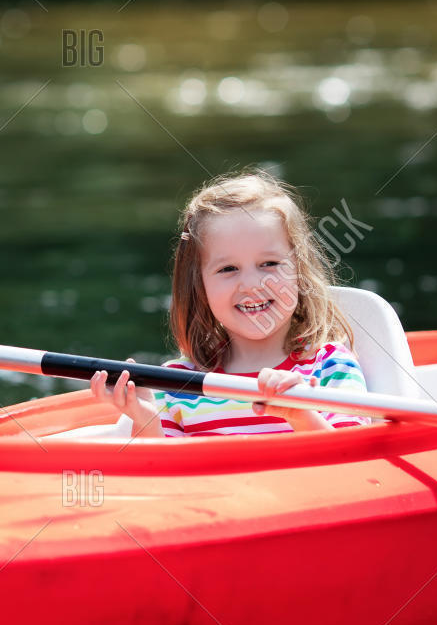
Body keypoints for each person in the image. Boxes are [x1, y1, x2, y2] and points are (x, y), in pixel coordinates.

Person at [89, 169, 373, 437]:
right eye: (228, 269)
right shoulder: (176, 385)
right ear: (199, 286)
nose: (251, 284)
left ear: (299, 271)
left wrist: (301, 416)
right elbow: (165, 475)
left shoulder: (330, 368)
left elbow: (353, 463)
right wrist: (145, 419)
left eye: (269, 263)